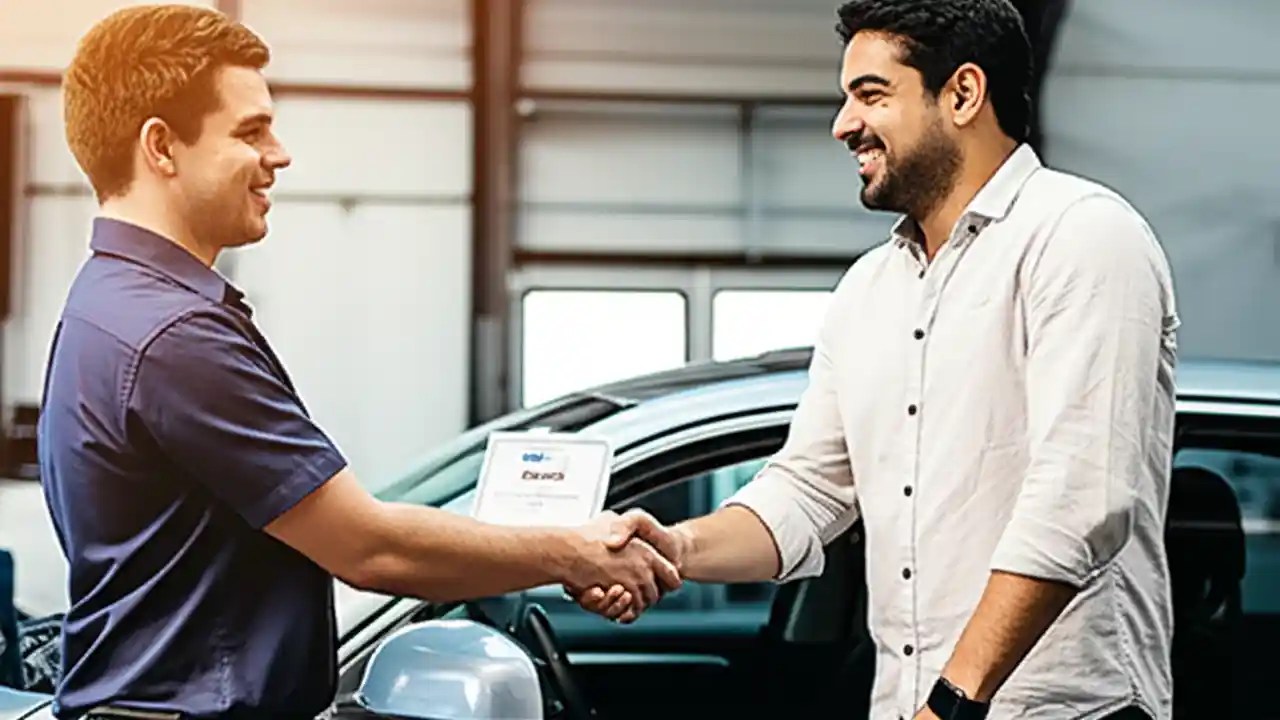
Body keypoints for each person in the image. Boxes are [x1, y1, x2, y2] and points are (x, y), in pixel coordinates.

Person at [37, 6, 679, 719]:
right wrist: (572, 553)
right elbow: (369, 549)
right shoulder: (176, 334)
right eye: (251, 131)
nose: (279, 154)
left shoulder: (107, 304)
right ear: (161, 146)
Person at [574, 1, 1179, 719]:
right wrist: (672, 547)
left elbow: (1079, 503)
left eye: (871, 94)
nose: (843, 124)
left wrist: (951, 705)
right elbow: (807, 491)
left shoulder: (1082, 236)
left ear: (963, 93)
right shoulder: (869, 289)